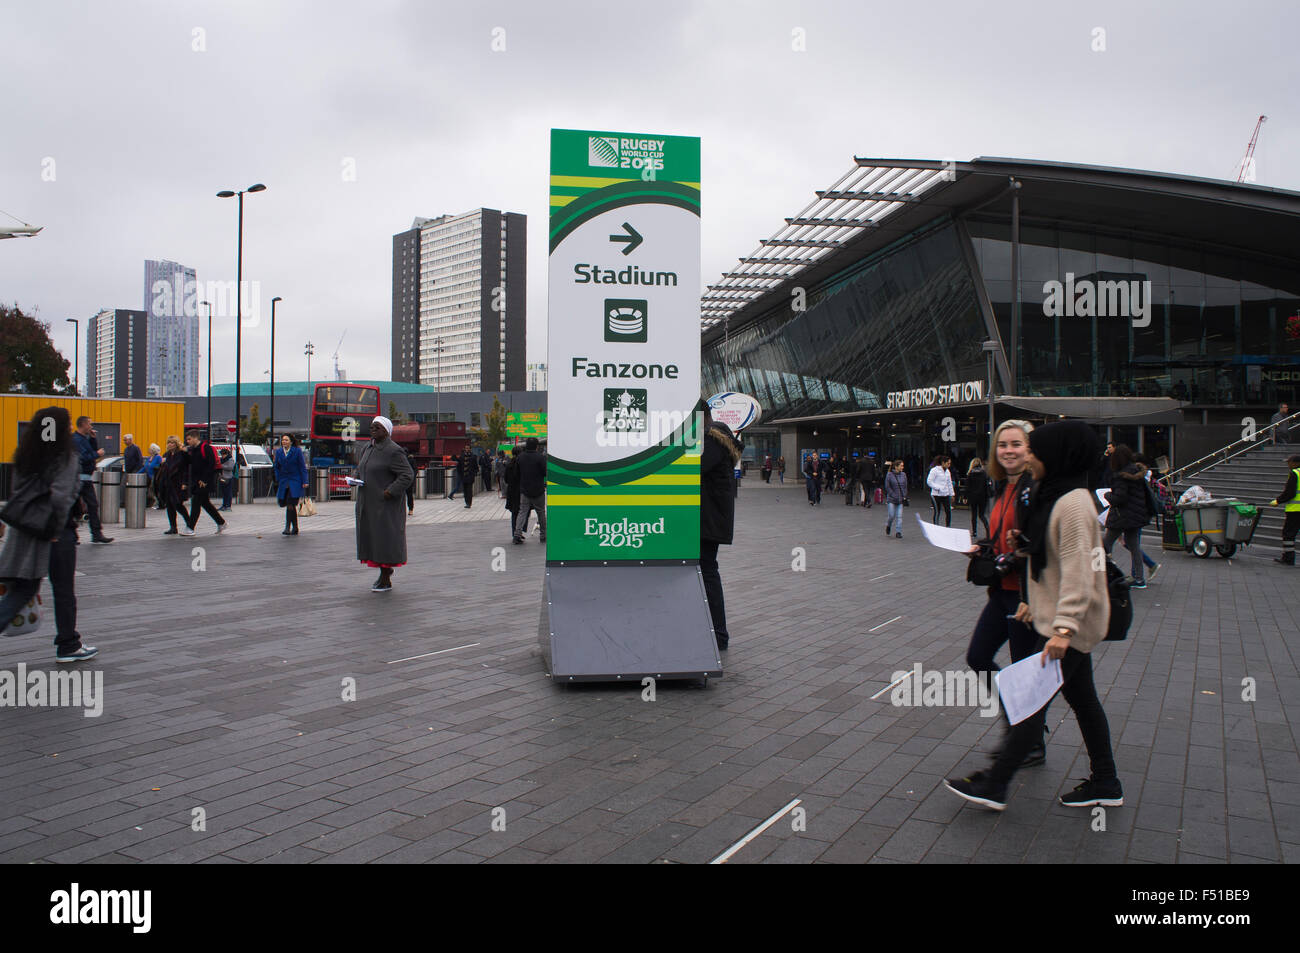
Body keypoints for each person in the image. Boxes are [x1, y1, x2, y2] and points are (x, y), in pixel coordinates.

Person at [946, 419, 1122, 811]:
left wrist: (1063, 629)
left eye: (1034, 452)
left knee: (1029, 707)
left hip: (1067, 627)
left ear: (1058, 455)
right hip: (1062, 622)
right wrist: (1022, 546)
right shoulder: (1057, 493)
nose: (1029, 458)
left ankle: (995, 784)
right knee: (1083, 702)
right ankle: (1107, 781)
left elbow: (1079, 572)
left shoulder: (1075, 504)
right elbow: (1054, 553)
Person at [964, 421, 1045, 766]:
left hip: (1025, 596)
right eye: (1002, 445)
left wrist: (1011, 559)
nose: (1008, 450)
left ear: (1029, 450)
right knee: (978, 657)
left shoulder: (1035, 489)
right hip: (1002, 592)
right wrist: (982, 548)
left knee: (1024, 672)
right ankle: (1016, 724)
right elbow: (1001, 537)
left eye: (1016, 444)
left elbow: (1039, 545)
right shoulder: (1002, 487)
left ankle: (1030, 741)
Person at [0, 406, 98, 662]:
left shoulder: (25, 455)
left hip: (23, 531)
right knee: (63, 589)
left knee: (22, 588)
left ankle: (69, 642)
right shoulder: (65, 455)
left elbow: (18, 493)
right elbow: (63, 496)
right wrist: (55, 530)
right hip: (53, 531)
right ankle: (68, 644)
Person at [353, 416, 414, 592]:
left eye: (377, 427)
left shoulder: (394, 451)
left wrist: (390, 491)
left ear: (387, 431)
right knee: (372, 539)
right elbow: (361, 468)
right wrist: (355, 479)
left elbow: (407, 475)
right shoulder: (367, 447)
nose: (373, 429)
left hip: (385, 505)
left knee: (384, 540)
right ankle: (384, 573)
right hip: (367, 502)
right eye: (372, 426)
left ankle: (385, 576)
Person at [700, 406, 741, 651]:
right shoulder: (716, 438)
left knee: (707, 573)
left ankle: (718, 635)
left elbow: (690, 470)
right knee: (706, 572)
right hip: (710, 519)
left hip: (708, 521)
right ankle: (715, 633)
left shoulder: (711, 441)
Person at [1102, 444, 1153, 588]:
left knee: (1104, 545)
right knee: (1134, 545)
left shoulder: (1121, 476)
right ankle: (1139, 578)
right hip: (1136, 515)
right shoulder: (1137, 472)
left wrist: (1107, 495)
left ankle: (1104, 575)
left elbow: (1119, 498)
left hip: (1121, 516)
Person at [71, 416, 112, 544]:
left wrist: (93, 439)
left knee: (88, 505)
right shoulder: (76, 440)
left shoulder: (84, 438)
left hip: (85, 477)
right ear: (83, 424)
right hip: (80, 477)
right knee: (82, 505)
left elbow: (91, 451)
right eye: (90, 424)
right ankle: (89, 533)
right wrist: (97, 455)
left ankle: (94, 533)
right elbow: (83, 457)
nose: (91, 427)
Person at [181, 431, 226, 536]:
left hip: (205, 481)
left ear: (196, 438)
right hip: (197, 481)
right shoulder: (193, 450)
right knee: (205, 503)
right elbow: (190, 462)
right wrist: (184, 452)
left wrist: (205, 480)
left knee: (196, 502)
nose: (188, 441)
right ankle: (221, 522)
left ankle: (190, 528)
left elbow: (211, 464)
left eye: (189, 439)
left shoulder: (206, 448)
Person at [273, 434, 310, 536]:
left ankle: (287, 527)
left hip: (295, 480)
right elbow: (276, 466)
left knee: (290, 503)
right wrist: (278, 477)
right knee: (289, 505)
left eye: (286, 440)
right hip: (284, 481)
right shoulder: (279, 452)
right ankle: (295, 527)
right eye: (283, 440)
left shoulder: (297, 451)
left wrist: (305, 481)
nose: (284, 441)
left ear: (291, 442)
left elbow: (302, 467)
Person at [513, 438, 547, 544]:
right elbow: (545, 472)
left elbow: (516, 474)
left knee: (522, 512)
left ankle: (517, 534)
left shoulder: (520, 457)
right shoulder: (540, 457)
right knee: (541, 513)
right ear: (537, 446)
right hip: (538, 490)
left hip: (525, 490)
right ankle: (543, 535)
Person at [1268, 454, 1300, 565]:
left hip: (1295, 510)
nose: (1288, 464)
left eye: (1289, 462)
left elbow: (1290, 493)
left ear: (1296, 463)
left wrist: (1277, 501)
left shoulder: (1295, 474)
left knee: (1288, 534)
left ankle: (1288, 558)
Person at [158, 435, 190, 535]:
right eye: (169, 442)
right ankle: (173, 527)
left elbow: (186, 469)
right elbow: (164, 469)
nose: (170, 444)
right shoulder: (167, 454)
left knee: (178, 505)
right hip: (168, 483)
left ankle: (189, 523)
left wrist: (185, 482)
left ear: (176, 444)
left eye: (172, 442)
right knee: (169, 505)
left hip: (178, 482)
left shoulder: (181, 454)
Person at [966, 458, 992, 539]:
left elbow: (968, 487)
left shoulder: (970, 473)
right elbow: (987, 485)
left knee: (974, 515)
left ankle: (974, 532)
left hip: (973, 497)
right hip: (983, 497)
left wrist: (965, 497)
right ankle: (988, 530)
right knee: (982, 515)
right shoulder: (984, 473)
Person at [927, 455, 954, 526]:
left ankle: (948, 526)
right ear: (943, 463)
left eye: (950, 463)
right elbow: (929, 481)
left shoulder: (947, 471)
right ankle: (936, 526)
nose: (949, 465)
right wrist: (938, 488)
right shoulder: (934, 470)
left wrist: (952, 494)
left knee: (948, 511)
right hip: (936, 495)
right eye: (948, 463)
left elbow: (949, 483)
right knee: (937, 511)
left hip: (945, 494)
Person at [884, 460, 908, 538]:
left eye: (903, 465)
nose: (902, 467)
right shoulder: (889, 475)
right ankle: (888, 525)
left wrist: (904, 495)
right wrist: (892, 494)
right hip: (891, 499)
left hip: (900, 499)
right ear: (896, 466)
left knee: (899, 516)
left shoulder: (903, 475)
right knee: (891, 515)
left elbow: (905, 486)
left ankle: (898, 532)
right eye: (901, 466)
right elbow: (887, 487)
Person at [504, 445, 523, 536]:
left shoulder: (509, 464)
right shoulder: (522, 464)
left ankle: (514, 532)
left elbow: (506, 479)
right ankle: (519, 532)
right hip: (520, 491)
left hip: (511, 491)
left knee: (514, 513)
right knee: (522, 512)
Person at [142, 442, 163, 508]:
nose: (148, 450)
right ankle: (149, 504)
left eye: (150, 449)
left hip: (155, 477)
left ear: (153, 450)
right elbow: (144, 467)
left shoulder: (158, 457)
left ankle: (157, 503)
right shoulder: (149, 458)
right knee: (148, 490)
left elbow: (160, 466)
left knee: (152, 491)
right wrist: (137, 473)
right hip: (148, 477)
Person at [403, 447, 418, 516]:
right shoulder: (411, 460)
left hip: (406, 479)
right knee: (409, 495)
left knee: (407, 495)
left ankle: (410, 509)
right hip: (407, 480)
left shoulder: (409, 460)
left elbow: (415, 470)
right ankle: (410, 509)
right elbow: (415, 470)